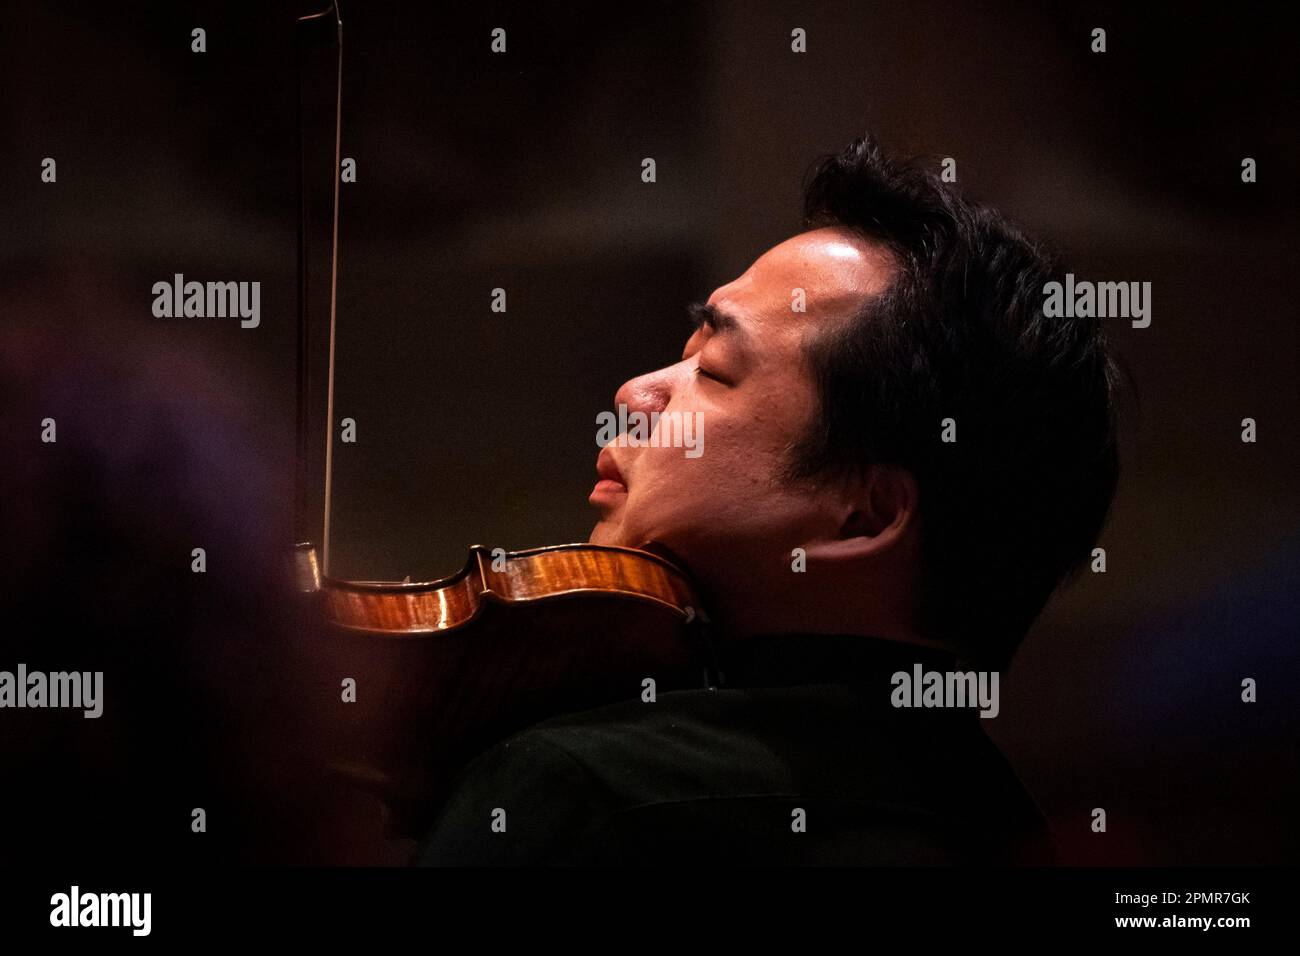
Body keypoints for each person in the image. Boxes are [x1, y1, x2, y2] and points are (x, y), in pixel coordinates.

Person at [415, 133, 1123, 865]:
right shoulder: (1014, 831)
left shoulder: (579, 794)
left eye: (715, 371)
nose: (636, 393)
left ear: (866, 516)